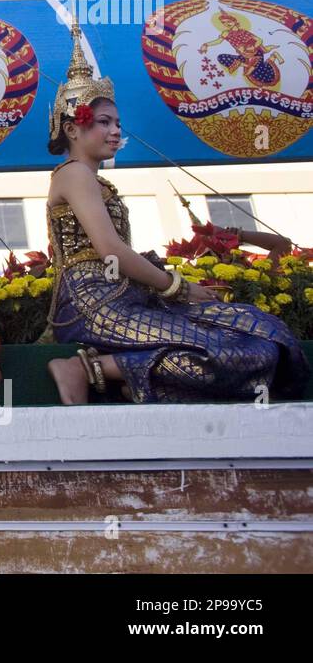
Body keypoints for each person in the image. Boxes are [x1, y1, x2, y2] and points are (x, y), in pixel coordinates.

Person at [44, 25, 309, 404]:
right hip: (93, 304)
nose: (116, 131)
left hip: (126, 297)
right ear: (72, 128)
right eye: (104, 122)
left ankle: (115, 372)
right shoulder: (74, 174)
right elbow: (111, 251)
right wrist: (176, 287)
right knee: (230, 351)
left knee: (261, 343)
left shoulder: (95, 182)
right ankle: (88, 369)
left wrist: (168, 286)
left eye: (118, 123)